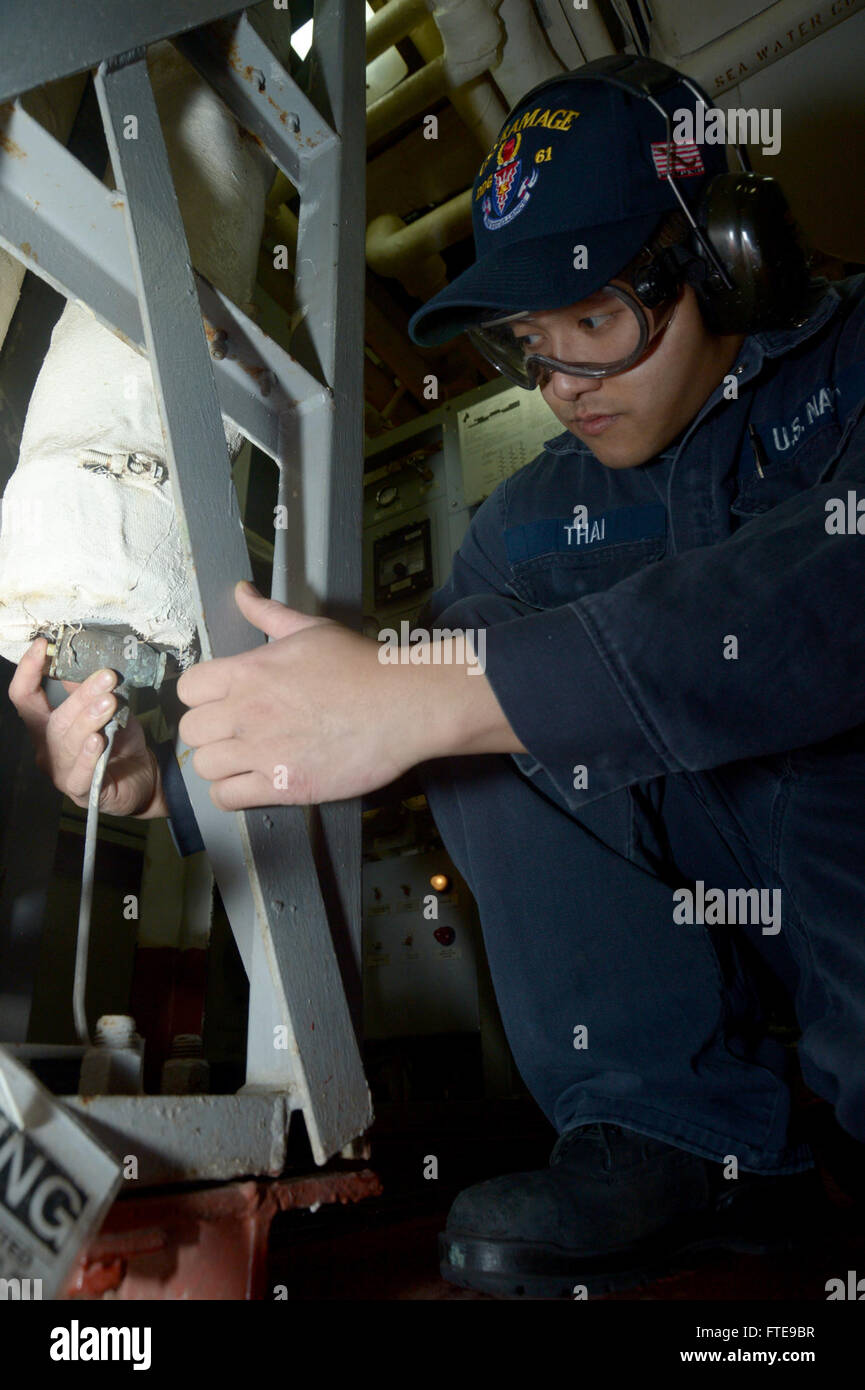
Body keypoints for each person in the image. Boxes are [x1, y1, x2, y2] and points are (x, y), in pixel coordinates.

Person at [9, 58, 865, 1299]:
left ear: (726, 255)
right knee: (468, 644)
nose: (564, 381)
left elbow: (814, 606)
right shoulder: (535, 521)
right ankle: (685, 1136)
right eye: (529, 341)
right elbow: (369, 708)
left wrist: (445, 688)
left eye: (595, 319)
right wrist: (162, 782)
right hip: (736, 887)